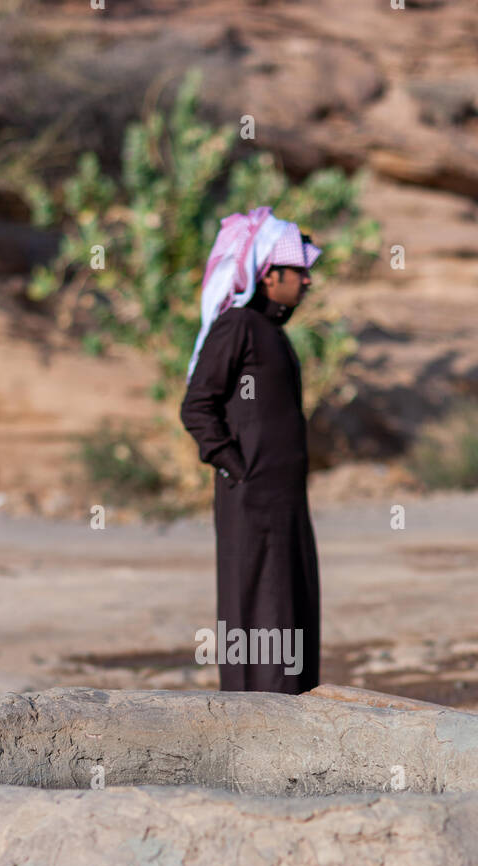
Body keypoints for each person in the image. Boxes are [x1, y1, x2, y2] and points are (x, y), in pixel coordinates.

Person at [180, 207, 322, 695]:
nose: (307, 281)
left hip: (284, 500)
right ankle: (255, 721)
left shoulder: (273, 334)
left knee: (289, 600)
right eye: (299, 272)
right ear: (269, 274)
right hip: (250, 495)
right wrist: (237, 467)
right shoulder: (237, 326)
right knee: (257, 603)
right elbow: (198, 407)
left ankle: (293, 714)